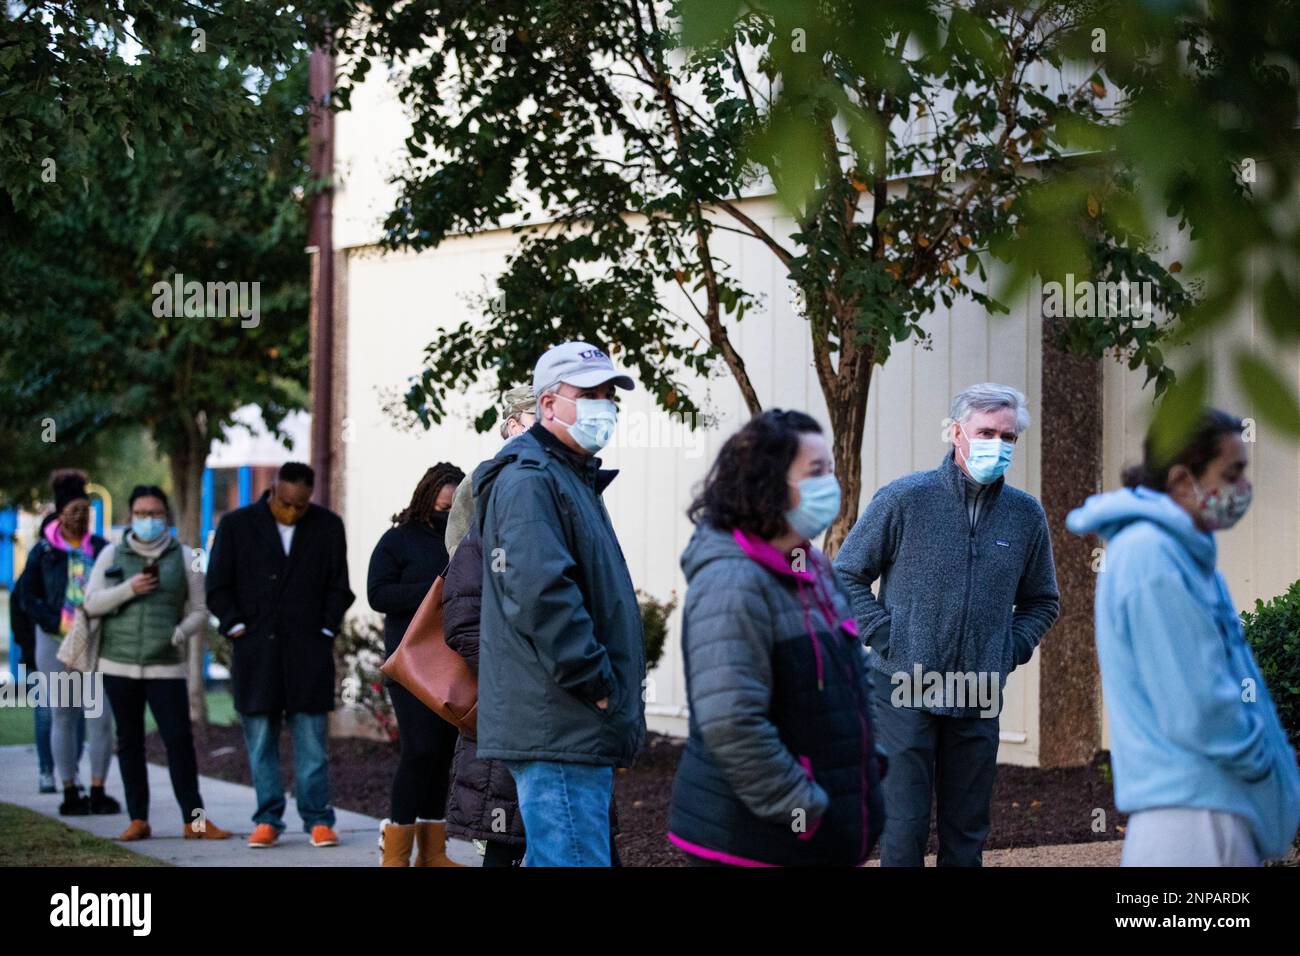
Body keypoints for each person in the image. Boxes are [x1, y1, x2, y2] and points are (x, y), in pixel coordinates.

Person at [834, 383, 1060, 866]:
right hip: (903, 686)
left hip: (978, 689)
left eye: (1007, 437)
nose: (997, 445)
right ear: (957, 432)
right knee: (904, 828)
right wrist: (887, 637)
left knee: (967, 830)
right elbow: (846, 576)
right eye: (985, 432)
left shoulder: (1025, 515)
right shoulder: (904, 499)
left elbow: (1043, 601)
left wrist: (1006, 649)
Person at [1067, 409, 1300, 866]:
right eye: (1231, 474)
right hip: (1196, 825)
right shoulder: (1152, 557)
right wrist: (1262, 762)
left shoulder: (1177, 553)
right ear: (1179, 481)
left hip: (1207, 812)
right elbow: (1198, 709)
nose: (1242, 489)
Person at [667, 409, 885, 866]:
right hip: (754, 842)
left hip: (812, 839)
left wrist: (870, 762)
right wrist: (803, 808)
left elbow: (852, 672)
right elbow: (732, 722)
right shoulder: (731, 581)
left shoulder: (813, 566)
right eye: (816, 471)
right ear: (769, 482)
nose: (831, 483)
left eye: (832, 469)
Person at [473, 341, 645, 866]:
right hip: (561, 718)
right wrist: (595, 684)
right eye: (587, 394)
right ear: (548, 405)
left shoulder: (569, 477)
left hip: (567, 719)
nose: (603, 407)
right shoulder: (531, 479)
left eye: (608, 396)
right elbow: (542, 594)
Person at [205, 462, 355, 848]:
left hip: (308, 653)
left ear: (310, 497)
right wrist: (236, 625)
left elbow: (339, 586)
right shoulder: (236, 525)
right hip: (256, 652)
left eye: (300, 504)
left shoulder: (327, 525)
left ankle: (318, 818)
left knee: (312, 745)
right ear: (273, 489)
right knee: (259, 741)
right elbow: (217, 585)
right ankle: (268, 818)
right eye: (286, 502)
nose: (292, 510)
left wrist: (326, 628)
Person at [83, 485, 232, 842]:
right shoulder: (110, 555)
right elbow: (91, 603)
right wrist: (129, 589)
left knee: (179, 741)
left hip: (165, 666)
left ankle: (194, 821)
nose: (147, 520)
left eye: (155, 514)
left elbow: (200, 609)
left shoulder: (185, 557)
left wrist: (178, 635)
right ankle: (138, 819)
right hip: (118, 665)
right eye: (141, 513)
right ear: (130, 516)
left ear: (166, 517)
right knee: (129, 741)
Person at [441, 387, 536, 867]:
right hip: (506, 661)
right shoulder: (486, 480)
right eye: (531, 416)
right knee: (501, 806)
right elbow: (463, 569)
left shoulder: (564, 479)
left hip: (543, 676)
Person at [367, 461, 467, 867]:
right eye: (441, 505)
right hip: (409, 665)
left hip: (454, 663)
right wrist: (432, 591)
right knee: (419, 751)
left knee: (443, 754)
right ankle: (395, 852)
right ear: (425, 496)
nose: (446, 513)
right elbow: (378, 595)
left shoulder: (466, 540)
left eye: (453, 507)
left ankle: (433, 852)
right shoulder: (398, 541)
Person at [14, 469, 118, 816]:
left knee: (100, 716)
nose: (81, 516)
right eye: (75, 510)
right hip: (55, 641)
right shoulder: (44, 552)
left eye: (86, 510)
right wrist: (54, 620)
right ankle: (70, 789)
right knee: (63, 714)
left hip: (95, 639)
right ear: (60, 513)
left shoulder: (103, 549)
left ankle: (99, 788)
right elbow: (26, 596)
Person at [9, 510, 84, 794]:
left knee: (74, 714)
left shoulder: (79, 571)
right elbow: (20, 612)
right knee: (47, 713)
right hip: (40, 657)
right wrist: (31, 650)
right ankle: (47, 771)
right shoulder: (34, 571)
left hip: (74, 655)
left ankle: (71, 771)